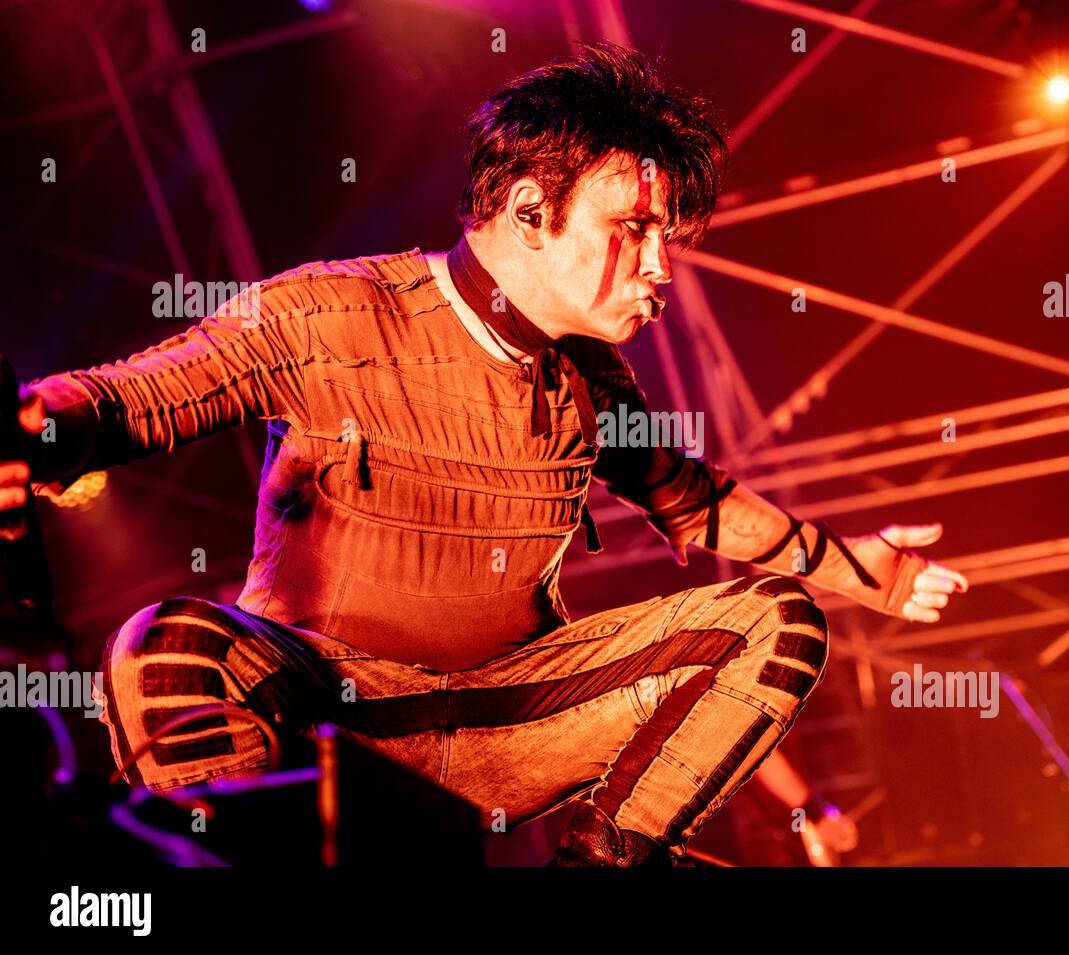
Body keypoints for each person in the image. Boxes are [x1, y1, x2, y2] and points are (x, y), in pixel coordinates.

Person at [0, 42, 967, 866]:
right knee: (164, 646)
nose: (659, 266)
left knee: (778, 625)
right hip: (326, 704)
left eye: (666, 237)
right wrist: (33, 425)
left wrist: (860, 570)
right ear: (527, 207)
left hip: (516, 715)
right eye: (632, 230)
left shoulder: (593, 381)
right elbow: (130, 398)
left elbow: (697, 502)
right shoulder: (328, 313)